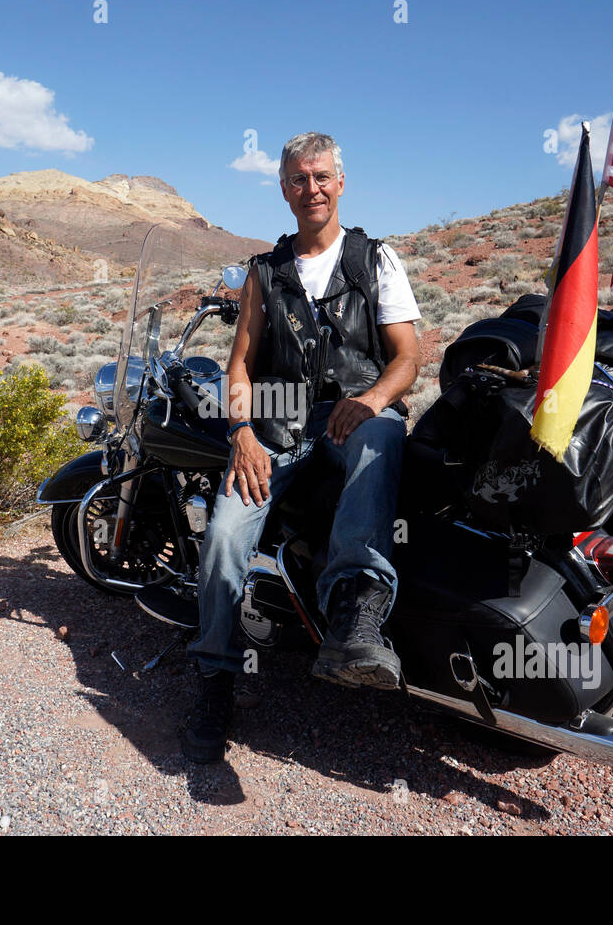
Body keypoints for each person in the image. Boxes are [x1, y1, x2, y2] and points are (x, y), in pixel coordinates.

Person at [182, 131, 421, 763]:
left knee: (384, 430)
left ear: (340, 183)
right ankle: (214, 678)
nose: (310, 188)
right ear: (284, 189)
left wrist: (369, 401)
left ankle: (355, 614)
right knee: (227, 536)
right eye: (297, 179)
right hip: (276, 431)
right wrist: (240, 433)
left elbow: (407, 359)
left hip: (353, 419)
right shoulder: (265, 272)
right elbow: (237, 366)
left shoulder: (376, 260)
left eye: (320, 177)